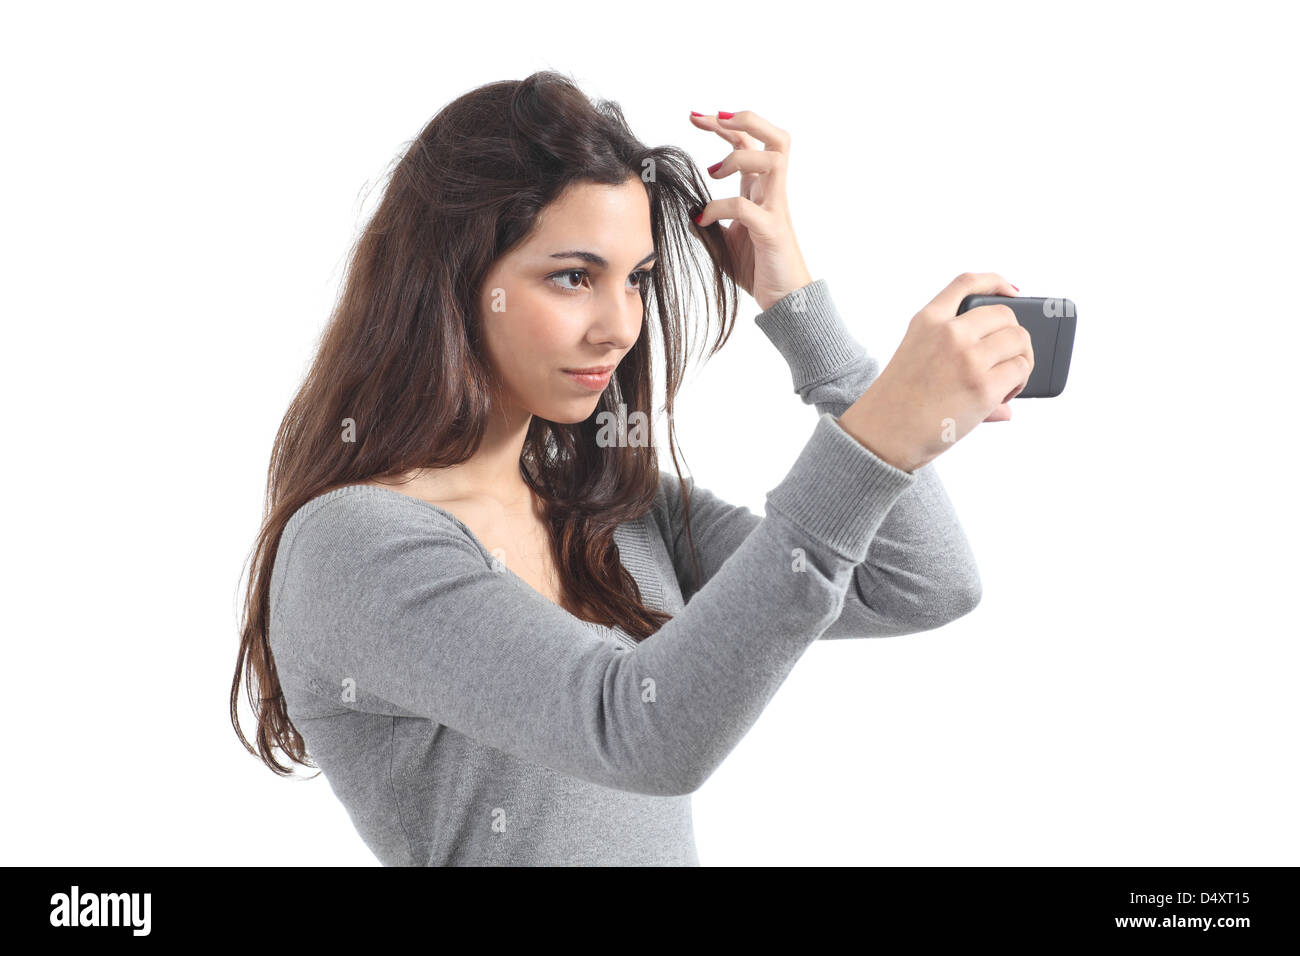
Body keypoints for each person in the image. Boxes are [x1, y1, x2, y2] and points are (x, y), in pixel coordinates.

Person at [230, 71, 1033, 866]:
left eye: (638, 279)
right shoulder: (356, 544)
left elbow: (919, 585)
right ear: (453, 280)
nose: (619, 326)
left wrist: (803, 316)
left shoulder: (615, 506)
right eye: (573, 276)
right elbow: (639, 734)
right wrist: (877, 437)